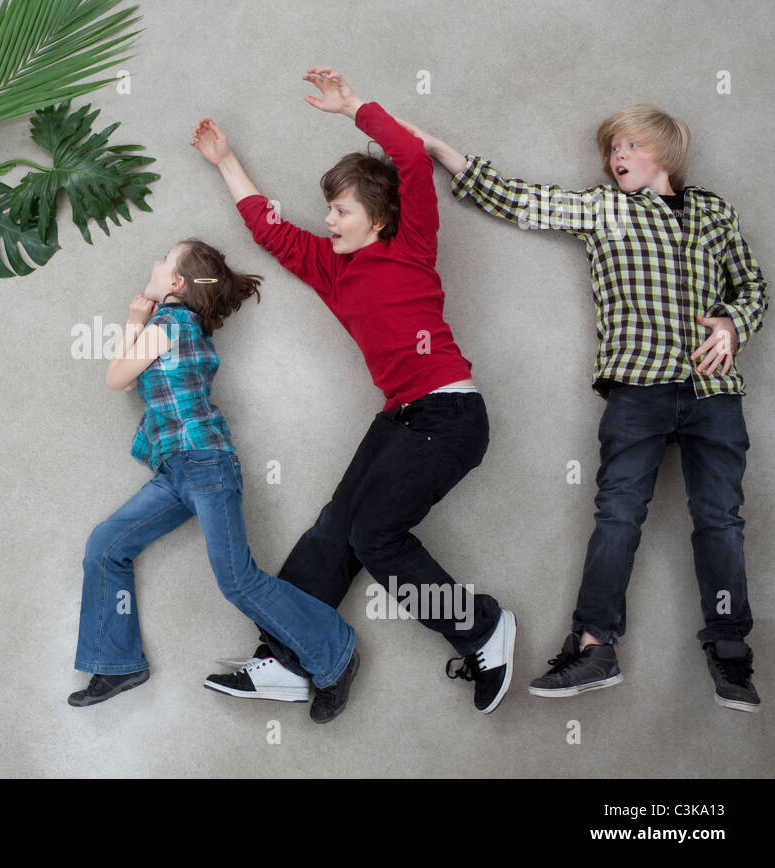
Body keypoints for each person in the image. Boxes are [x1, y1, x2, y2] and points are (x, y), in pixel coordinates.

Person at [402, 103, 767, 712]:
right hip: (638, 392)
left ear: (665, 152)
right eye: (611, 150)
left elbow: (752, 285)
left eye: (628, 146)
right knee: (618, 516)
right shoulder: (606, 208)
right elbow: (519, 199)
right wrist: (441, 149)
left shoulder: (714, 213)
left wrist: (734, 323)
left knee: (721, 521)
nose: (616, 157)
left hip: (713, 396)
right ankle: (595, 646)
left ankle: (730, 653)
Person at [190, 67, 516, 714]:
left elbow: (412, 164)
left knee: (376, 537)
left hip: (451, 416)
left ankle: (483, 629)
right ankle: (286, 658)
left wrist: (354, 107)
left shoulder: (411, 245)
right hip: (399, 418)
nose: (329, 220)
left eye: (341, 210)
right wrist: (226, 161)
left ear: (379, 217)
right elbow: (271, 230)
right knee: (335, 531)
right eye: (329, 209)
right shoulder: (333, 271)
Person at [69, 239, 360, 723]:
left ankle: (334, 651)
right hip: (178, 472)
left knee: (237, 580)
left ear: (177, 285)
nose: (156, 263)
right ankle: (118, 663)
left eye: (164, 260)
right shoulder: (191, 328)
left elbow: (117, 377)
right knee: (106, 545)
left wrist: (133, 321)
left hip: (204, 465)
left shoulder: (167, 324)